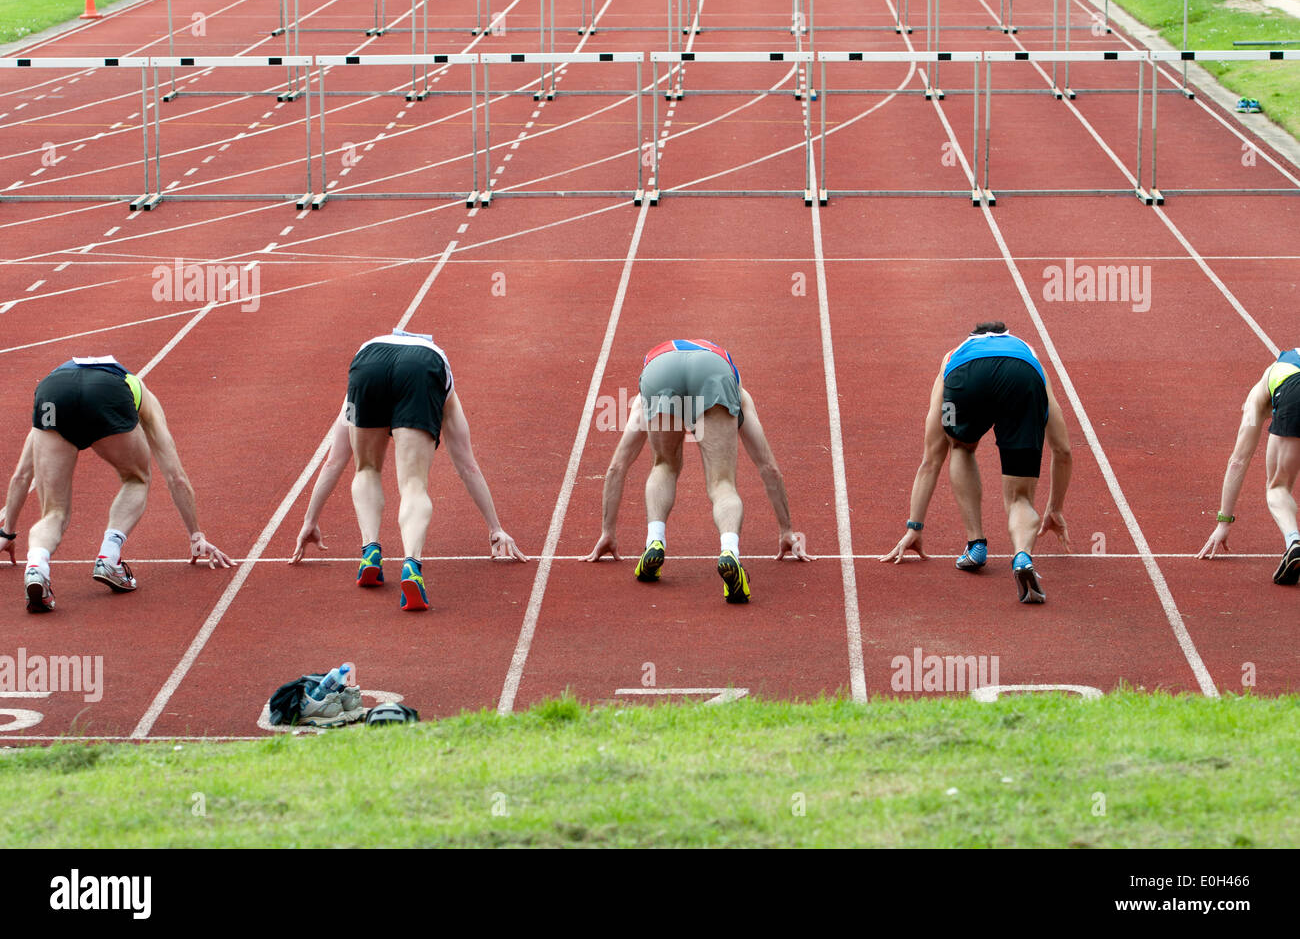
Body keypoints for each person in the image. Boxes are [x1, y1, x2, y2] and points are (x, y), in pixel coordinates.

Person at [290, 329, 526, 611]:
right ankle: (411, 564)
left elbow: (334, 461)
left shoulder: (368, 356)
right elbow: (467, 465)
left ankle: (370, 552)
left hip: (368, 364)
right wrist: (494, 528)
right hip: (422, 367)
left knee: (365, 468)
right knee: (413, 484)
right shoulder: (439, 370)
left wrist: (310, 520)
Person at [583, 339, 810, 603]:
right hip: (714, 371)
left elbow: (617, 466)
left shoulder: (640, 399)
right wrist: (786, 530)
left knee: (663, 465)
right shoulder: (740, 391)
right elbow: (768, 466)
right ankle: (729, 551)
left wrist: (607, 532)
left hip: (660, 368)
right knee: (722, 483)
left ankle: (654, 541)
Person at [1, 356, 232, 613]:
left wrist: (7, 533)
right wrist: (196, 536)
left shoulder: (57, 382)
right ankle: (109, 557)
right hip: (107, 394)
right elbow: (175, 475)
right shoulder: (136, 387)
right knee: (136, 479)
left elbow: (22, 475)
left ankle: (37, 566)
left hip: (53, 392)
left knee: (54, 512)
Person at [881, 322, 1072, 604]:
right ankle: (1022, 556)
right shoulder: (1029, 354)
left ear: (972, 337)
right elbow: (1063, 450)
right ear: (1007, 335)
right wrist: (1054, 508)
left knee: (959, 446)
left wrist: (915, 526)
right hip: (1021, 377)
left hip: (964, 378)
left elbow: (931, 459)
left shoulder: (952, 357)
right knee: (1020, 498)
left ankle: (976, 545)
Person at [1196, 348, 1300, 584]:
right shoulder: (1283, 363)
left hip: (1295, 392)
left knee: (1278, 486)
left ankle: (1293, 541)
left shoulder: (1255, 399)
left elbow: (1238, 460)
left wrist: (1224, 521)